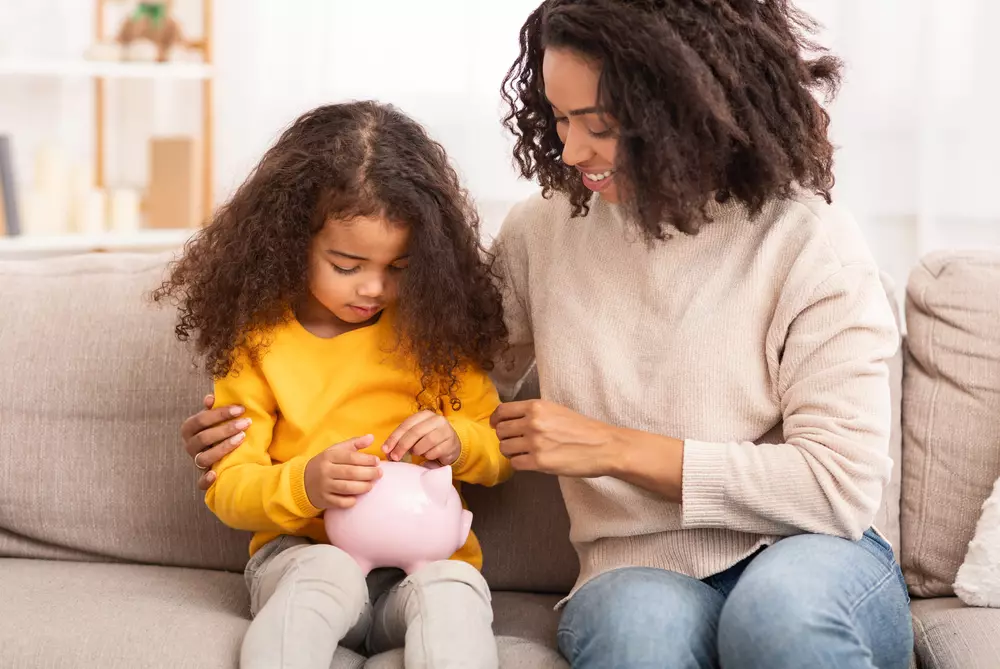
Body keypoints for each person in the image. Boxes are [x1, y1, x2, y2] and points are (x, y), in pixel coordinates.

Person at [181, 2, 913, 668]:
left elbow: (838, 483)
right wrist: (257, 426)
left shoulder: (809, 242)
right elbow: (434, 362)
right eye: (560, 121)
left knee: (776, 618)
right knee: (638, 643)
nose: (569, 153)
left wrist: (613, 448)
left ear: (688, 106)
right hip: (633, 564)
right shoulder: (541, 233)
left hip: (809, 550)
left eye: (598, 125)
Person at [157, 101, 511, 669]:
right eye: (347, 265)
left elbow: (499, 451)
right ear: (290, 241)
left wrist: (460, 441)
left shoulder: (434, 330)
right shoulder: (260, 344)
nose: (373, 287)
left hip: (424, 566)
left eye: (398, 268)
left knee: (453, 591)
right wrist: (306, 484)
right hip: (301, 557)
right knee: (327, 573)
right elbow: (228, 489)